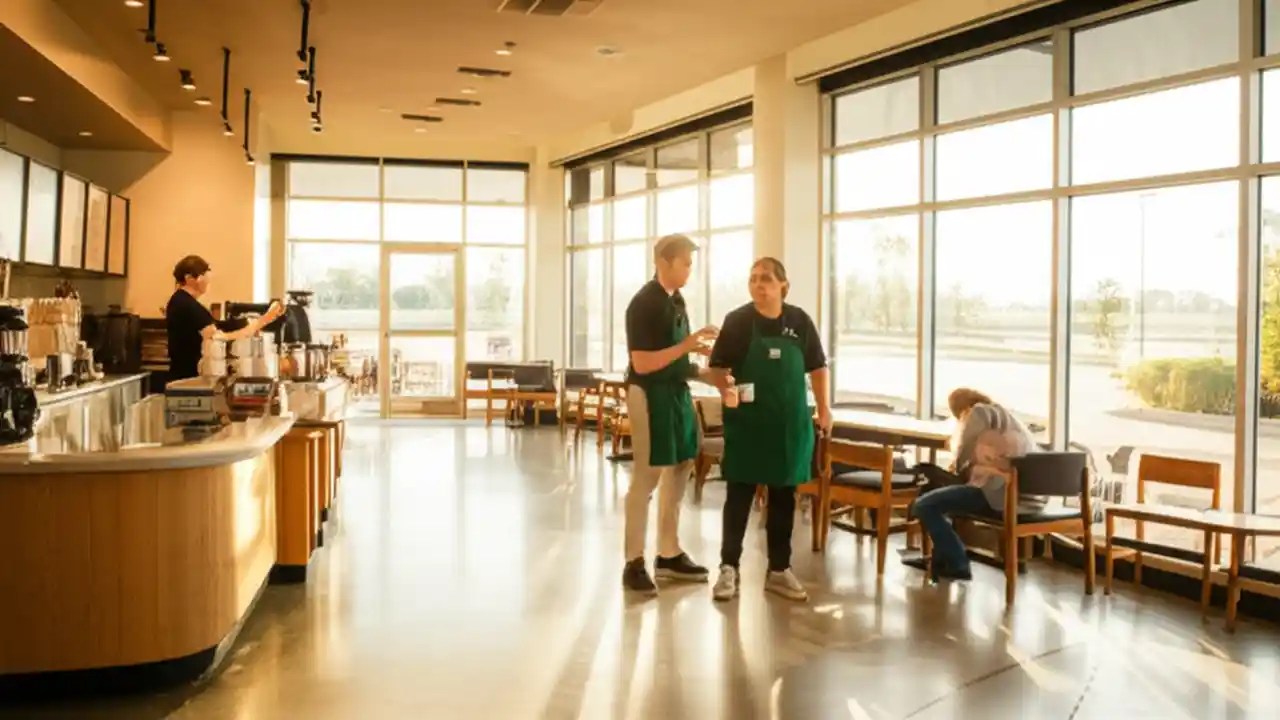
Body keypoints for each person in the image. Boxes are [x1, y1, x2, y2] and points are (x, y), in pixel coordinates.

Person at [706, 258, 832, 602]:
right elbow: (717, 368)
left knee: (782, 499)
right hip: (748, 424)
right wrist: (725, 386)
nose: (758, 285)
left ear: (782, 286)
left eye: (766, 279)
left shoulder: (799, 321)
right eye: (753, 279)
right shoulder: (738, 321)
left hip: (788, 427)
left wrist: (824, 408)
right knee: (739, 498)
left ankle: (779, 569)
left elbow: (818, 366)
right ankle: (728, 568)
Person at [622, 234, 720, 596]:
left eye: (691, 264)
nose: (689, 270)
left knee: (681, 464)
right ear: (664, 262)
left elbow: (676, 359)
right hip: (647, 393)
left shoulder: (676, 300)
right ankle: (633, 561)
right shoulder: (643, 304)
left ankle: (668, 551)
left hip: (675, 392)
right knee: (647, 476)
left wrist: (709, 372)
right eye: (685, 263)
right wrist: (688, 344)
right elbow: (643, 362)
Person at [906, 387, 1044, 582]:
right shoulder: (1006, 417)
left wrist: (959, 464)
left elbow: (963, 457)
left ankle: (957, 561)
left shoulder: (978, 412)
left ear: (960, 409)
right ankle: (940, 558)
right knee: (937, 494)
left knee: (924, 504)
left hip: (1000, 495)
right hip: (1030, 497)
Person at [165, 255, 284, 381]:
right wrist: (265, 319)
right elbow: (219, 338)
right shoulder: (187, 305)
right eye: (203, 275)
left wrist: (250, 322)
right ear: (189, 278)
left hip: (185, 375)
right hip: (188, 378)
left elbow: (219, 327)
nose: (207, 280)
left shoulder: (181, 301)